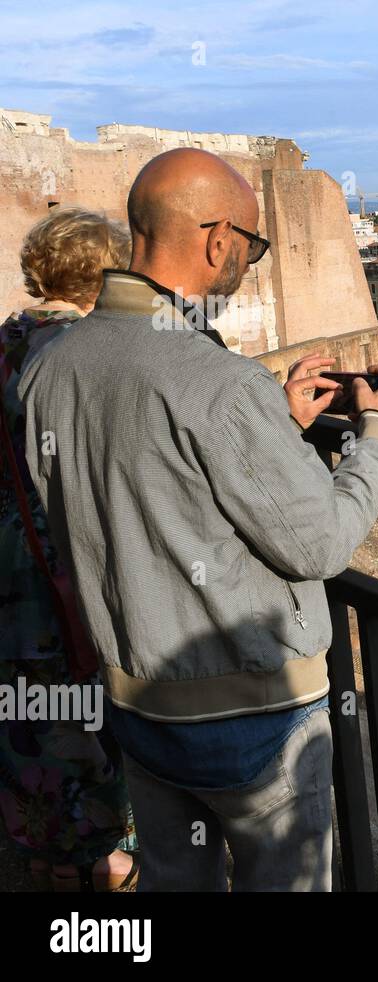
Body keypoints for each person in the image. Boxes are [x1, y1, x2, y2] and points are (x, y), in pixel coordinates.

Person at [20, 148, 378, 892]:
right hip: (258, 716)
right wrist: (376, 432)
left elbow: (144, 473)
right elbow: (319, 540)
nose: (249, 265)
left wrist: (273, 420)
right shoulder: (219, 381)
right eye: (250, 247)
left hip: (137, 707)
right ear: (218, 239)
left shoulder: (49, 370)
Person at [0, 207, 139, 891]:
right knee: (87, 706)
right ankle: (102, 864)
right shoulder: (86, 355)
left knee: (26, 707)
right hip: (69, 564)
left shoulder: (6, 343)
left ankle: (49, 851)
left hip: (9, 566)